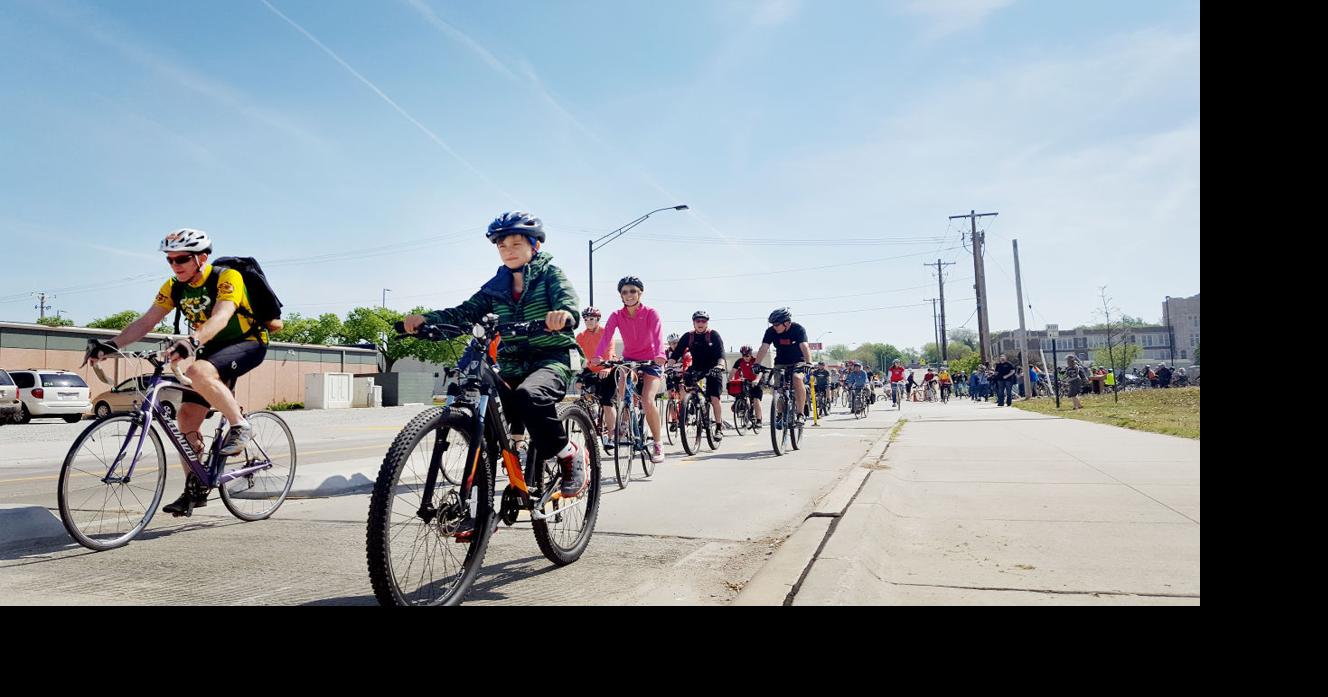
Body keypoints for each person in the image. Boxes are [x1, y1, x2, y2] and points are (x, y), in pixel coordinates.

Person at [405, 211, 586, 509]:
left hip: (552, 357)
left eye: (516, 244)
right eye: (502, 246)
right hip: (512, 361)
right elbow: (463, 312)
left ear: (533, 246)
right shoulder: (496, 286)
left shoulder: (550, 274)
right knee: (484, 424)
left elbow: (568, 303)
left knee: (530, 396)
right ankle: (478, 512)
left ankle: (568, 454)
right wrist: (427, 320)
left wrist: (564, 315)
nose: (509, 250)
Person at [87, 228, 272, 516]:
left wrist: (192, 341)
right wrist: (110, 345)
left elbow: (222, 316)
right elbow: (146, 321)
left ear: (202, 257)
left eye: (182, 259)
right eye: (170, 260)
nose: (175, 265)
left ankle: (240, 425)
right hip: (211, 348)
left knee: (198, 371)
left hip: (246, 342)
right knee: (186, 416)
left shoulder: (226, 277)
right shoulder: (174, 286)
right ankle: (195, 488)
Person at [592, 276, 668, 465]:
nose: (629, 295)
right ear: (621, 295)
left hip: (651, 360)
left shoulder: (651, 313)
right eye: (625, 292)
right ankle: (626, 418)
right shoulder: (617, 315)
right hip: (630, 359)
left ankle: (658, 443)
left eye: (633, 291)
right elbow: (606, 336)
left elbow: (658, 336)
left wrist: (660, 354)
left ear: (640, 293)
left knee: (647, 400)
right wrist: (599, 355)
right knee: (623, 388)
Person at [669, 310, 727, 438]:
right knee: (687, 382)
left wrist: (720, 366)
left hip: (713, 368)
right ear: (693, 323)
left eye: (703, 321)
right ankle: (693, 403)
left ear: (707, 323)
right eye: (698, 321)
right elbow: (676, 353)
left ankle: (718, 426)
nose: (700, 323)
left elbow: (721, 354)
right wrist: (669, 366)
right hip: (696, 367)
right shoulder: (688, 336)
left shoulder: (713, 335)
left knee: (714, 398)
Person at [753, 308, 811, 422]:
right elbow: (764, 347)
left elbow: (804, 346)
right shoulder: (770, 331)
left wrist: (808, 363)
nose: (774, 326)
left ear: (787, 323)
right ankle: (779, 414)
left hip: (798, 361)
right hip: (780, 362)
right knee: (779, 388)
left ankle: (800, 414)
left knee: (797, 378)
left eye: (777, 324)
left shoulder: (798, 329)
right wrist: (756, 363)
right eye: (773, 324)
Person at [575, 307, 618, 450]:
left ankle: (612, 436)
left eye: (591, 319)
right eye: (586, 319)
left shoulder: (606, 333)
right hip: (591, 368)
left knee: (607, 402)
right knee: (579, 386)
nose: (588, 322)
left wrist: (607, 367)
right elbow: (577, 355)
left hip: (608, 368)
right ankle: (592, 413)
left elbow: (610, 351)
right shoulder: (581, 336)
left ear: (598, 320)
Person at [731, 345, 764, 427]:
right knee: (740, 395)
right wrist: (731, 380)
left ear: (750, 354)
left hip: (756, 382)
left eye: (747, 356)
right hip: (746, 381)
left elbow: (760, 372)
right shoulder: (739, 361)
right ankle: (743, 412)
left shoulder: (755, 361)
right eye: (743, 355)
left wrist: (756, 380)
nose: (745, 357)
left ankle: (759, 420)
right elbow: (733, 372)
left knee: (756, 400)